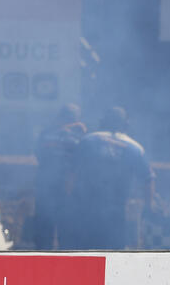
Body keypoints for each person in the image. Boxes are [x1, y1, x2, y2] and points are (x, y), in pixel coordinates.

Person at [70, 106, 156, 250]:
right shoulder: (134, 148)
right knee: (113, 254)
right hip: (116, 212)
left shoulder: (87, 141)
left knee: (86, 253)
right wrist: (149, 206)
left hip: (86, 210)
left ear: (102, 121)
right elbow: (148, 179)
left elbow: (72, 172)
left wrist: (69, 200)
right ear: (126, 124)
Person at [33, 104, 86, 249]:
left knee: (46, 228)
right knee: (65, 230)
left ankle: (43, 257)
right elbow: (82, 161)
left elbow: (38, 155)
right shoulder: (80, 135)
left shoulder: (46, 132)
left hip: (47, 186)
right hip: (65, 188)